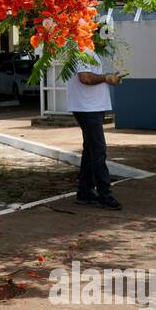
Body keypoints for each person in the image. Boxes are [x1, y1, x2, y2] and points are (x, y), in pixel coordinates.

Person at [66, 53, 122, 210]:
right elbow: (85, 78)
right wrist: (106, 77)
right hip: (88, 108)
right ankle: (105, 195)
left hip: (92, 107)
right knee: (98, 151)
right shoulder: (80, 51)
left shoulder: (88, 50)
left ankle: (85, 192)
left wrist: (108, 78)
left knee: (91, 151)